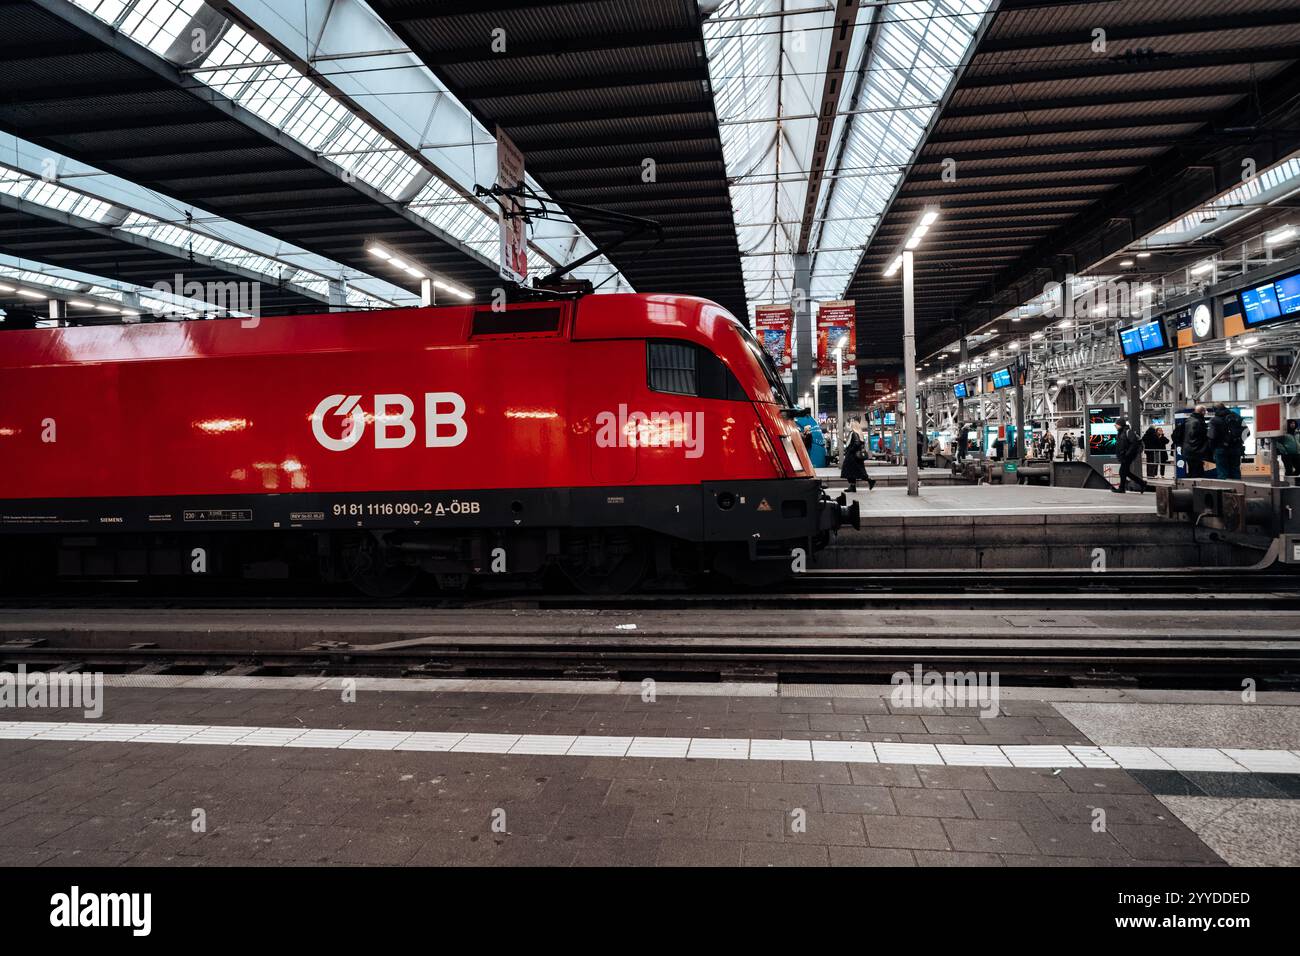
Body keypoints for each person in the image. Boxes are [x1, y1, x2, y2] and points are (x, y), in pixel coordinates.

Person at [1207, 403, 1246, 480]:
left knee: (1223, 472)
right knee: (1235, 471)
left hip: (1220, 449)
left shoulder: (1214, 420)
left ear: (1215, 409)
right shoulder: (1237, 417)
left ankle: (1225, 490)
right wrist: (1239, 442)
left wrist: (1212, 449)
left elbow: (1211, 437)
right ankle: (1238, 490)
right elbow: (1247, 432)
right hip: (1235, 448)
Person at [1113, 418, 1149, 493]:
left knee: (1122, 472)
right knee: (1125, 472)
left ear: (1120, 425)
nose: (1115, 426)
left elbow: (1134, 444)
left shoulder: (1128, 432)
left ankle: (1122, 488)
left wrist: (1127, 453)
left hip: (1128, 455)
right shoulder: (1120, 432)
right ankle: (1142, 483)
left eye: (1116, 424)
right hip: (1124, 455)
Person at [840, 420, 875, 493]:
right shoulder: (858, 433)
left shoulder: (854, 433)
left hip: (852, 456)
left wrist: (850, 450)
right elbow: (856, 443)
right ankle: (853, 486)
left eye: (850, 425)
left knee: (849, 470)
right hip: (855, 456)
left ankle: (868, 481)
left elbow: (856, 443)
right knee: (855, 471)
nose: (849, 426)